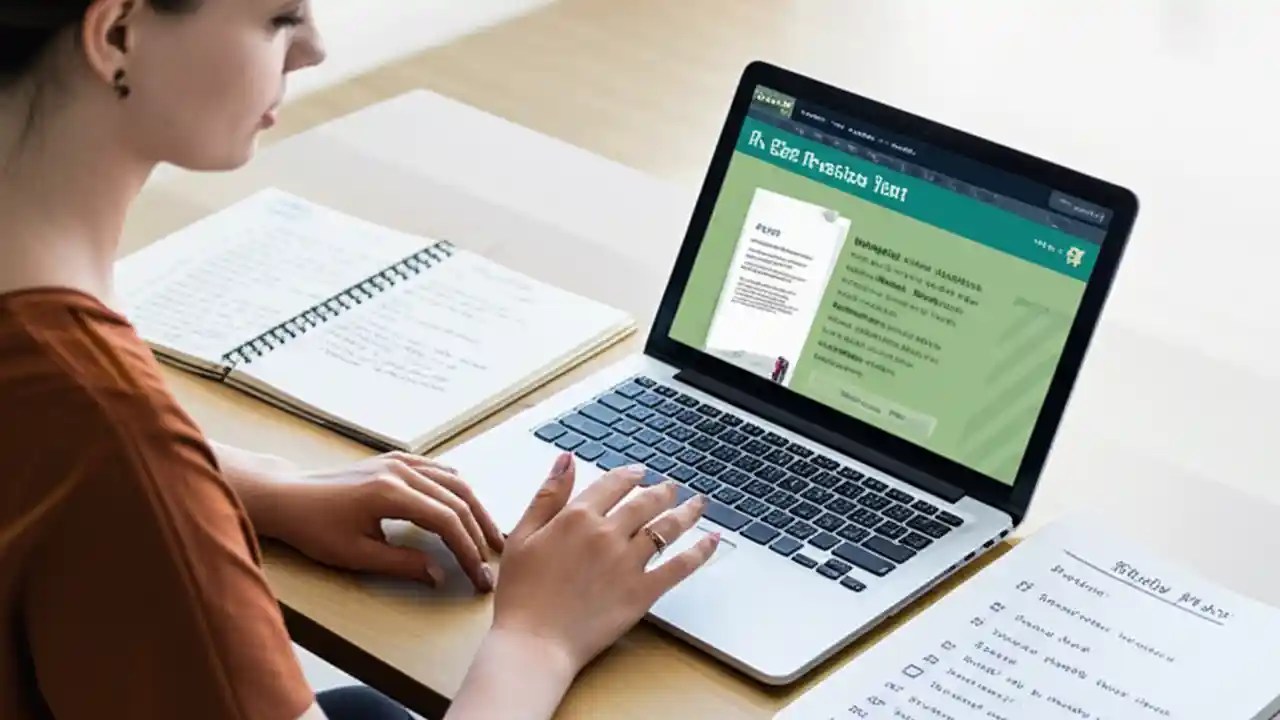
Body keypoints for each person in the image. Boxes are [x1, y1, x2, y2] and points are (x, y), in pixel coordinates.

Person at [0, 1, 719, 719]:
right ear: (117, 32)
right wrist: (537, 640)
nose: (312, 49)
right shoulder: (113, 429)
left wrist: (257, 485)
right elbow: (108, 451)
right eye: (279, 17)